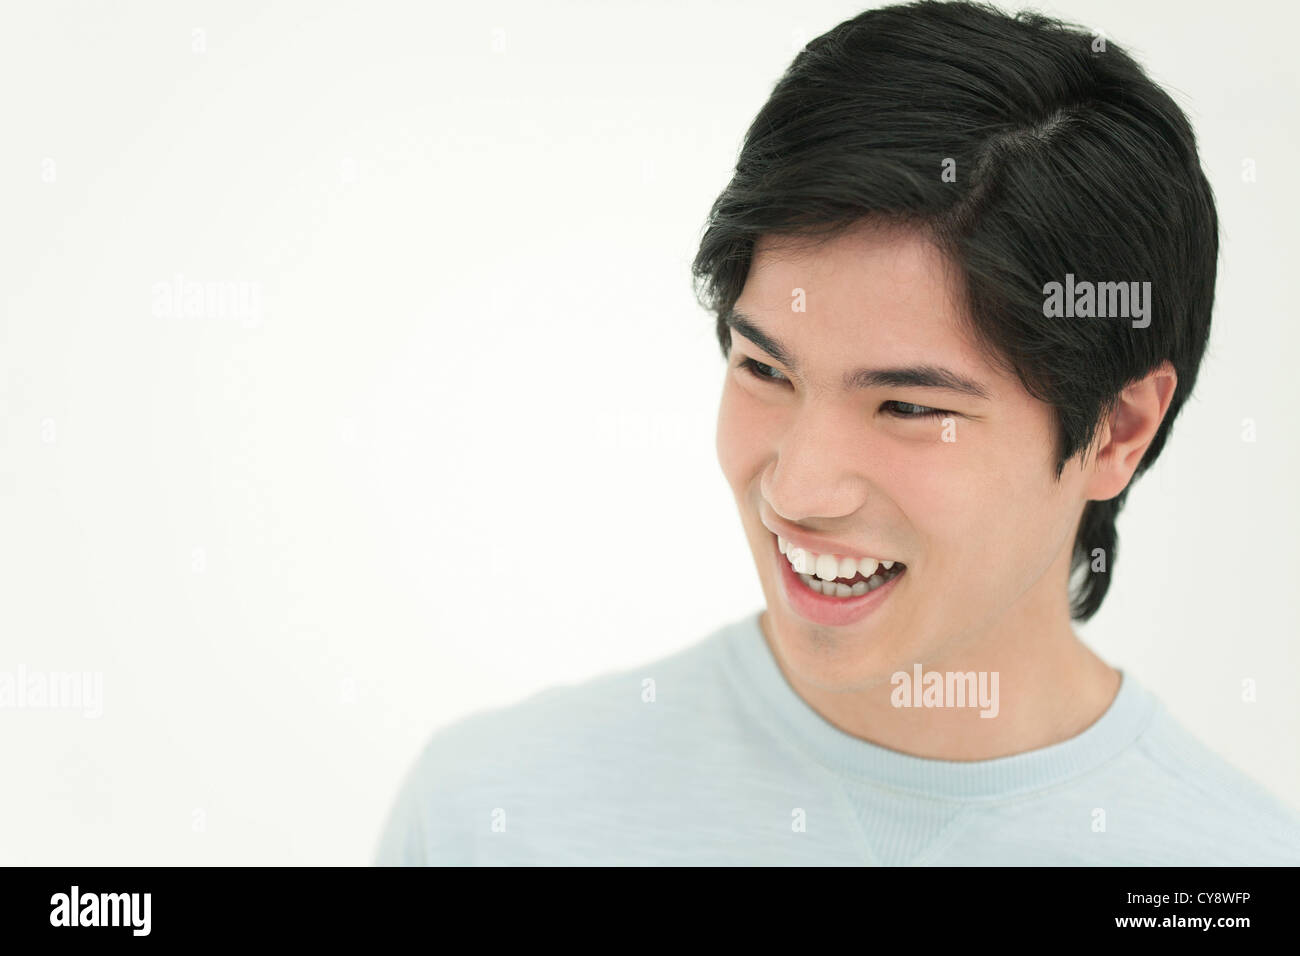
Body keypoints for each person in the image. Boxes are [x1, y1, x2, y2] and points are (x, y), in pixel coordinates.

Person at [374, 0, 1300, 865]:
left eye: (908, 407)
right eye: (765, 370)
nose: (797, 489)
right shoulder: (493, 817)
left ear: (1117, 432)